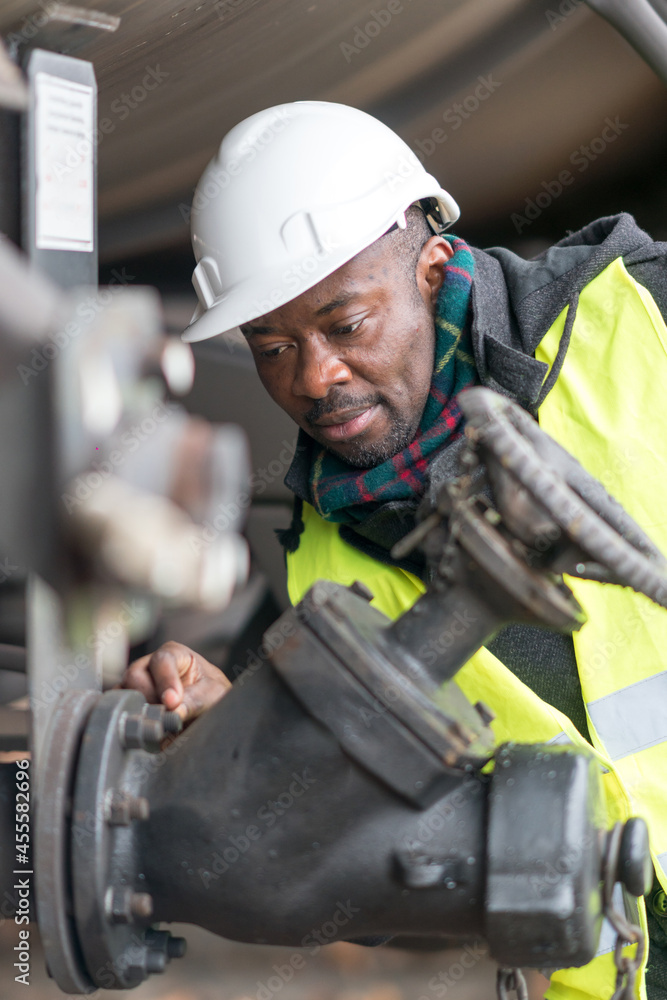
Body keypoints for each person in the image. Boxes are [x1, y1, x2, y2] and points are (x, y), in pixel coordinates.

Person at [121, 101, 667, 999]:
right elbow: (385, 894)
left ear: (431, 268)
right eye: (271, 345)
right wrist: (244, 741)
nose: (312, 378)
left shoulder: (638, 319)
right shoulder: (320, 572)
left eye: (345, 326)